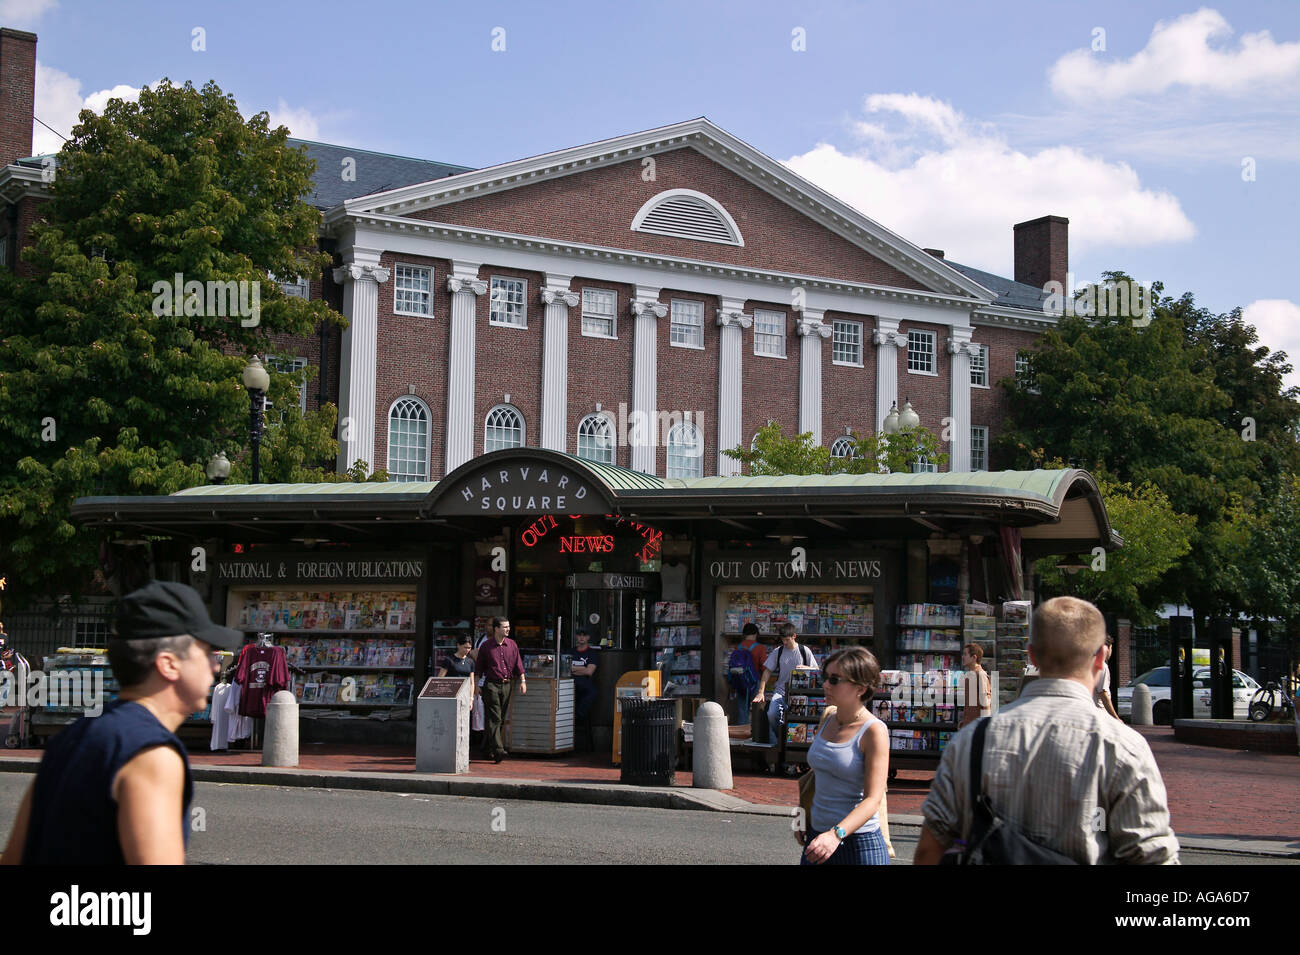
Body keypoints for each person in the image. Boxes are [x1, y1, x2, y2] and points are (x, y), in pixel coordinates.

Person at [915, 596, 1179, 865]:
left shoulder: (971, 741)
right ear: (1100, 658)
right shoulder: (1123, 746)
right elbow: (1151, 855)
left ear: (1032, 655)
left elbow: (930, 849)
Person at [1, 580, 241, 865]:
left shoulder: (69, 738)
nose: (215, 665)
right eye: (206, 652)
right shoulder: (152, 755)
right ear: (169, 664)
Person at [799, 647, 890, 865]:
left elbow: (873, 799)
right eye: (825, 677)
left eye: (834, 679)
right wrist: (801, 818)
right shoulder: (829, 717)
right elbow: (816, 776)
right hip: (818, 839)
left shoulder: (873, 730)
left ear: (860, 688)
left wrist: (835, 834)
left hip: (858, 844)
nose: (826, 684)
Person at [753, 622, 815, 748]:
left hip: (799, 694)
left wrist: (806, 668)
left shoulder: (804, 651)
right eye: (783, 640)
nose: (785, 643)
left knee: (796, 722)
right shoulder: (779, 651)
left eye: (787, 640)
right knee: (772, 714)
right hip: (781, 691)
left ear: (794, 636)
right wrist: (761, 692)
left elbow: (816, 670)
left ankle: (789, 744)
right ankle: (781, 738)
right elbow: (767, 671)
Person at [474, 617, 525, 764]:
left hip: (507, 684)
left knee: (500, 718)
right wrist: (476, 685)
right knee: (494, 717)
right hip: (491, 685)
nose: (508, 629)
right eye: (504, 627)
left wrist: (522, 681)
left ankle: (485, 748)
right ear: (496, 629)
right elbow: (479, 668)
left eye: (508, 626)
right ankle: (498, 750)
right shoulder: (486, 646)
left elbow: (518, 664)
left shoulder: (512, 645)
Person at [729, 623, 767, 726]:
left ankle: (742, 731)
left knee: (742, 708)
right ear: (756, 634)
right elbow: (764, 667)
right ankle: (756, 731)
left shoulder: (738, 647)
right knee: (757, 708)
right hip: (755, 681)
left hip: (741, 681)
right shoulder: (760, 648)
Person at [957, 643, 992, 729]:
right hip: (969, 726)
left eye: (965, 654)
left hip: (976, 728)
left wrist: (984, 729)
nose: (962, 657)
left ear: (974, 657)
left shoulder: (980, 675)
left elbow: (985, 703)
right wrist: (964, 722)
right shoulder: (971, 675)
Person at [570, 629, 599, 723]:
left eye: (584, 635)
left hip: (585, 685)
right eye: (579, 635)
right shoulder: (571, 651)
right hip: (570, 684)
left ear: (588, 637)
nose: (582, 637)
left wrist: (573, 668)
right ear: (576, 637)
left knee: (592, 692)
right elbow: (566, 669)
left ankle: (578, 718)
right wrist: (583, 668)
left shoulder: (591, 653)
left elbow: (589, 672)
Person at [1095, 633, 1120, 719]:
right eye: (1111, 648)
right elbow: (1103, 694)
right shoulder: (1102, 666)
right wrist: (1116, 718)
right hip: (1099, 713)